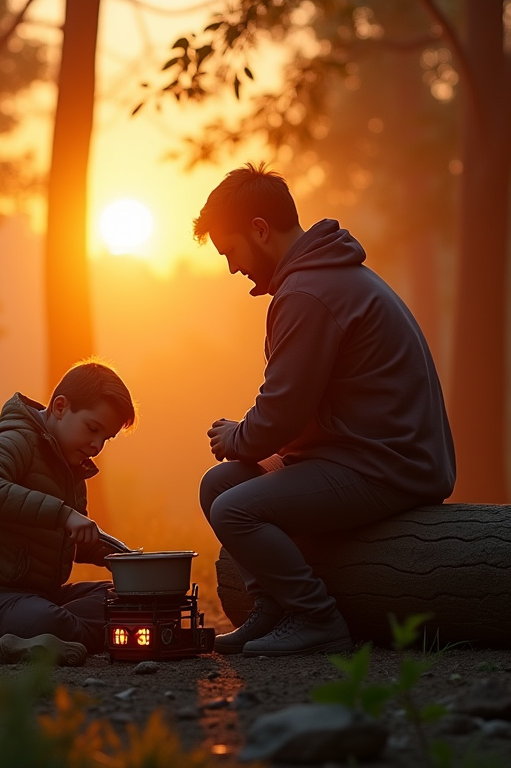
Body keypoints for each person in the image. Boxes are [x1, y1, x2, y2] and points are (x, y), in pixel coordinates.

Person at [195, 163, 456, 656]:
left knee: (235, 508)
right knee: (219, 484)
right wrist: (245, 440)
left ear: (259, 230)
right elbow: (294, 403)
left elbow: (281, 416)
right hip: (353, 454)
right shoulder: (319, 279)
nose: (232, 268)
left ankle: (317, 618)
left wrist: (236, 437)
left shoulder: (309, 292)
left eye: (230, 251)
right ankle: (270, 610)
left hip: (388, 465)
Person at [0, 360, 136, 665]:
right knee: (49, 619)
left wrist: (124, 560)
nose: (96, 445)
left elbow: (74, 537)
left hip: (39, 597)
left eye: (105, 439)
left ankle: (39, 641)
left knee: (129, 599)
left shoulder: (72, 464)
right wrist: (62, 514)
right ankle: (49, 635)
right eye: (92, 429)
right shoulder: (18, 438)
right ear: (60, 407)